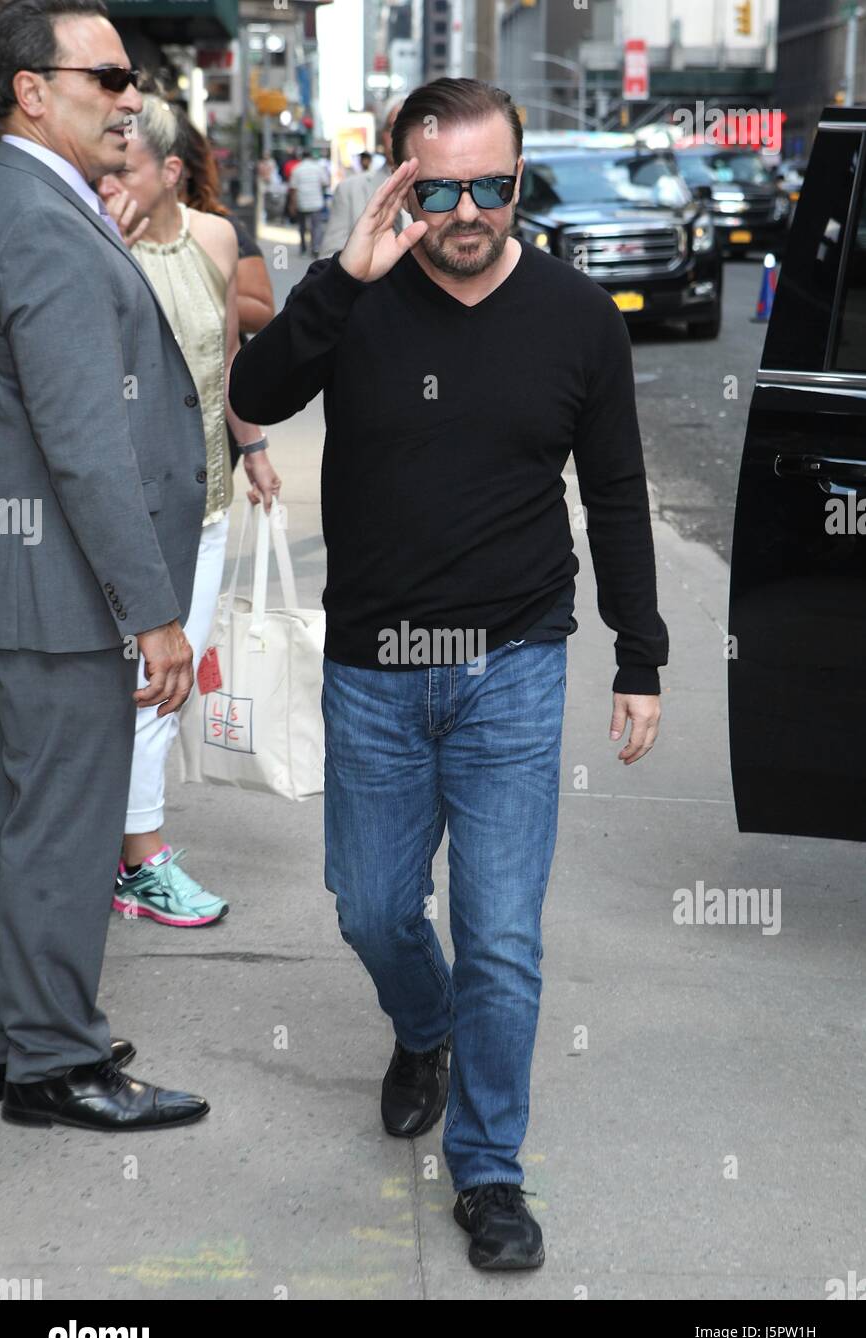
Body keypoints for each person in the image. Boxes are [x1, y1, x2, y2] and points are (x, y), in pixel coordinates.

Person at [230, 77, 668, 1270]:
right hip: (375, 669)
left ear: (518, 181)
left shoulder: (579, 316)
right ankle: (421, 1030)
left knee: (503, 940)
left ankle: (489, 1171)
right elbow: (251, 395)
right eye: (439, 189)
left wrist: (642, 656)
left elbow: (618, 495)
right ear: (397, 182)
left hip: (513, 666)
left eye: (492, 185)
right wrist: (342, 276)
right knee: (371, 909)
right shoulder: (357, 301)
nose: (468, 210)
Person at [0, 0, 210, 1129]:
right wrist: (155, 613)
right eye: (110, 74)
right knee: (63, 838)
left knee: (27, 825)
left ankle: (28, 1032)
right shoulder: (35, 215)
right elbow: (84, 439)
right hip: (59, 598)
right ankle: (53, 1066)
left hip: (29, 587)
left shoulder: (42, 203)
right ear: (34, 89)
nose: (132, 94)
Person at [98, 94, 281, 927]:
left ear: (171, 171)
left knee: (161, 688)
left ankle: (134, 859)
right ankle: (123, 853)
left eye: (124, 164)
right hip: (106, 512)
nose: (109, 178)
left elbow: (228, 359)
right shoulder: (92, 238)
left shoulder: (212, 238)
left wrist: (253, 449)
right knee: (102, 689)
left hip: (201, 507)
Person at [169, 107, 275, 471]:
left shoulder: (221, 230)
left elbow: (262, 310)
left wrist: (193, 288)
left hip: (210, 410)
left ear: (179, 169)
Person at [320, 96, 407, 256]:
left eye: (409, 127)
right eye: (393, 127)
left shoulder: (445, 188)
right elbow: (328, 260)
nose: (400, 136)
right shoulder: (349, 190)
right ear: (383, 134)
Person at [287, 146, 328, 256]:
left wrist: (292, 204)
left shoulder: (297, 169)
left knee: (302, 226)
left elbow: (293, 189)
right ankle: (315, 247)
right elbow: (325, 182)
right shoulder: (318, 168)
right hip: (316, 202)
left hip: (302, 202)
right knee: (317, 226)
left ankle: (303, 247)